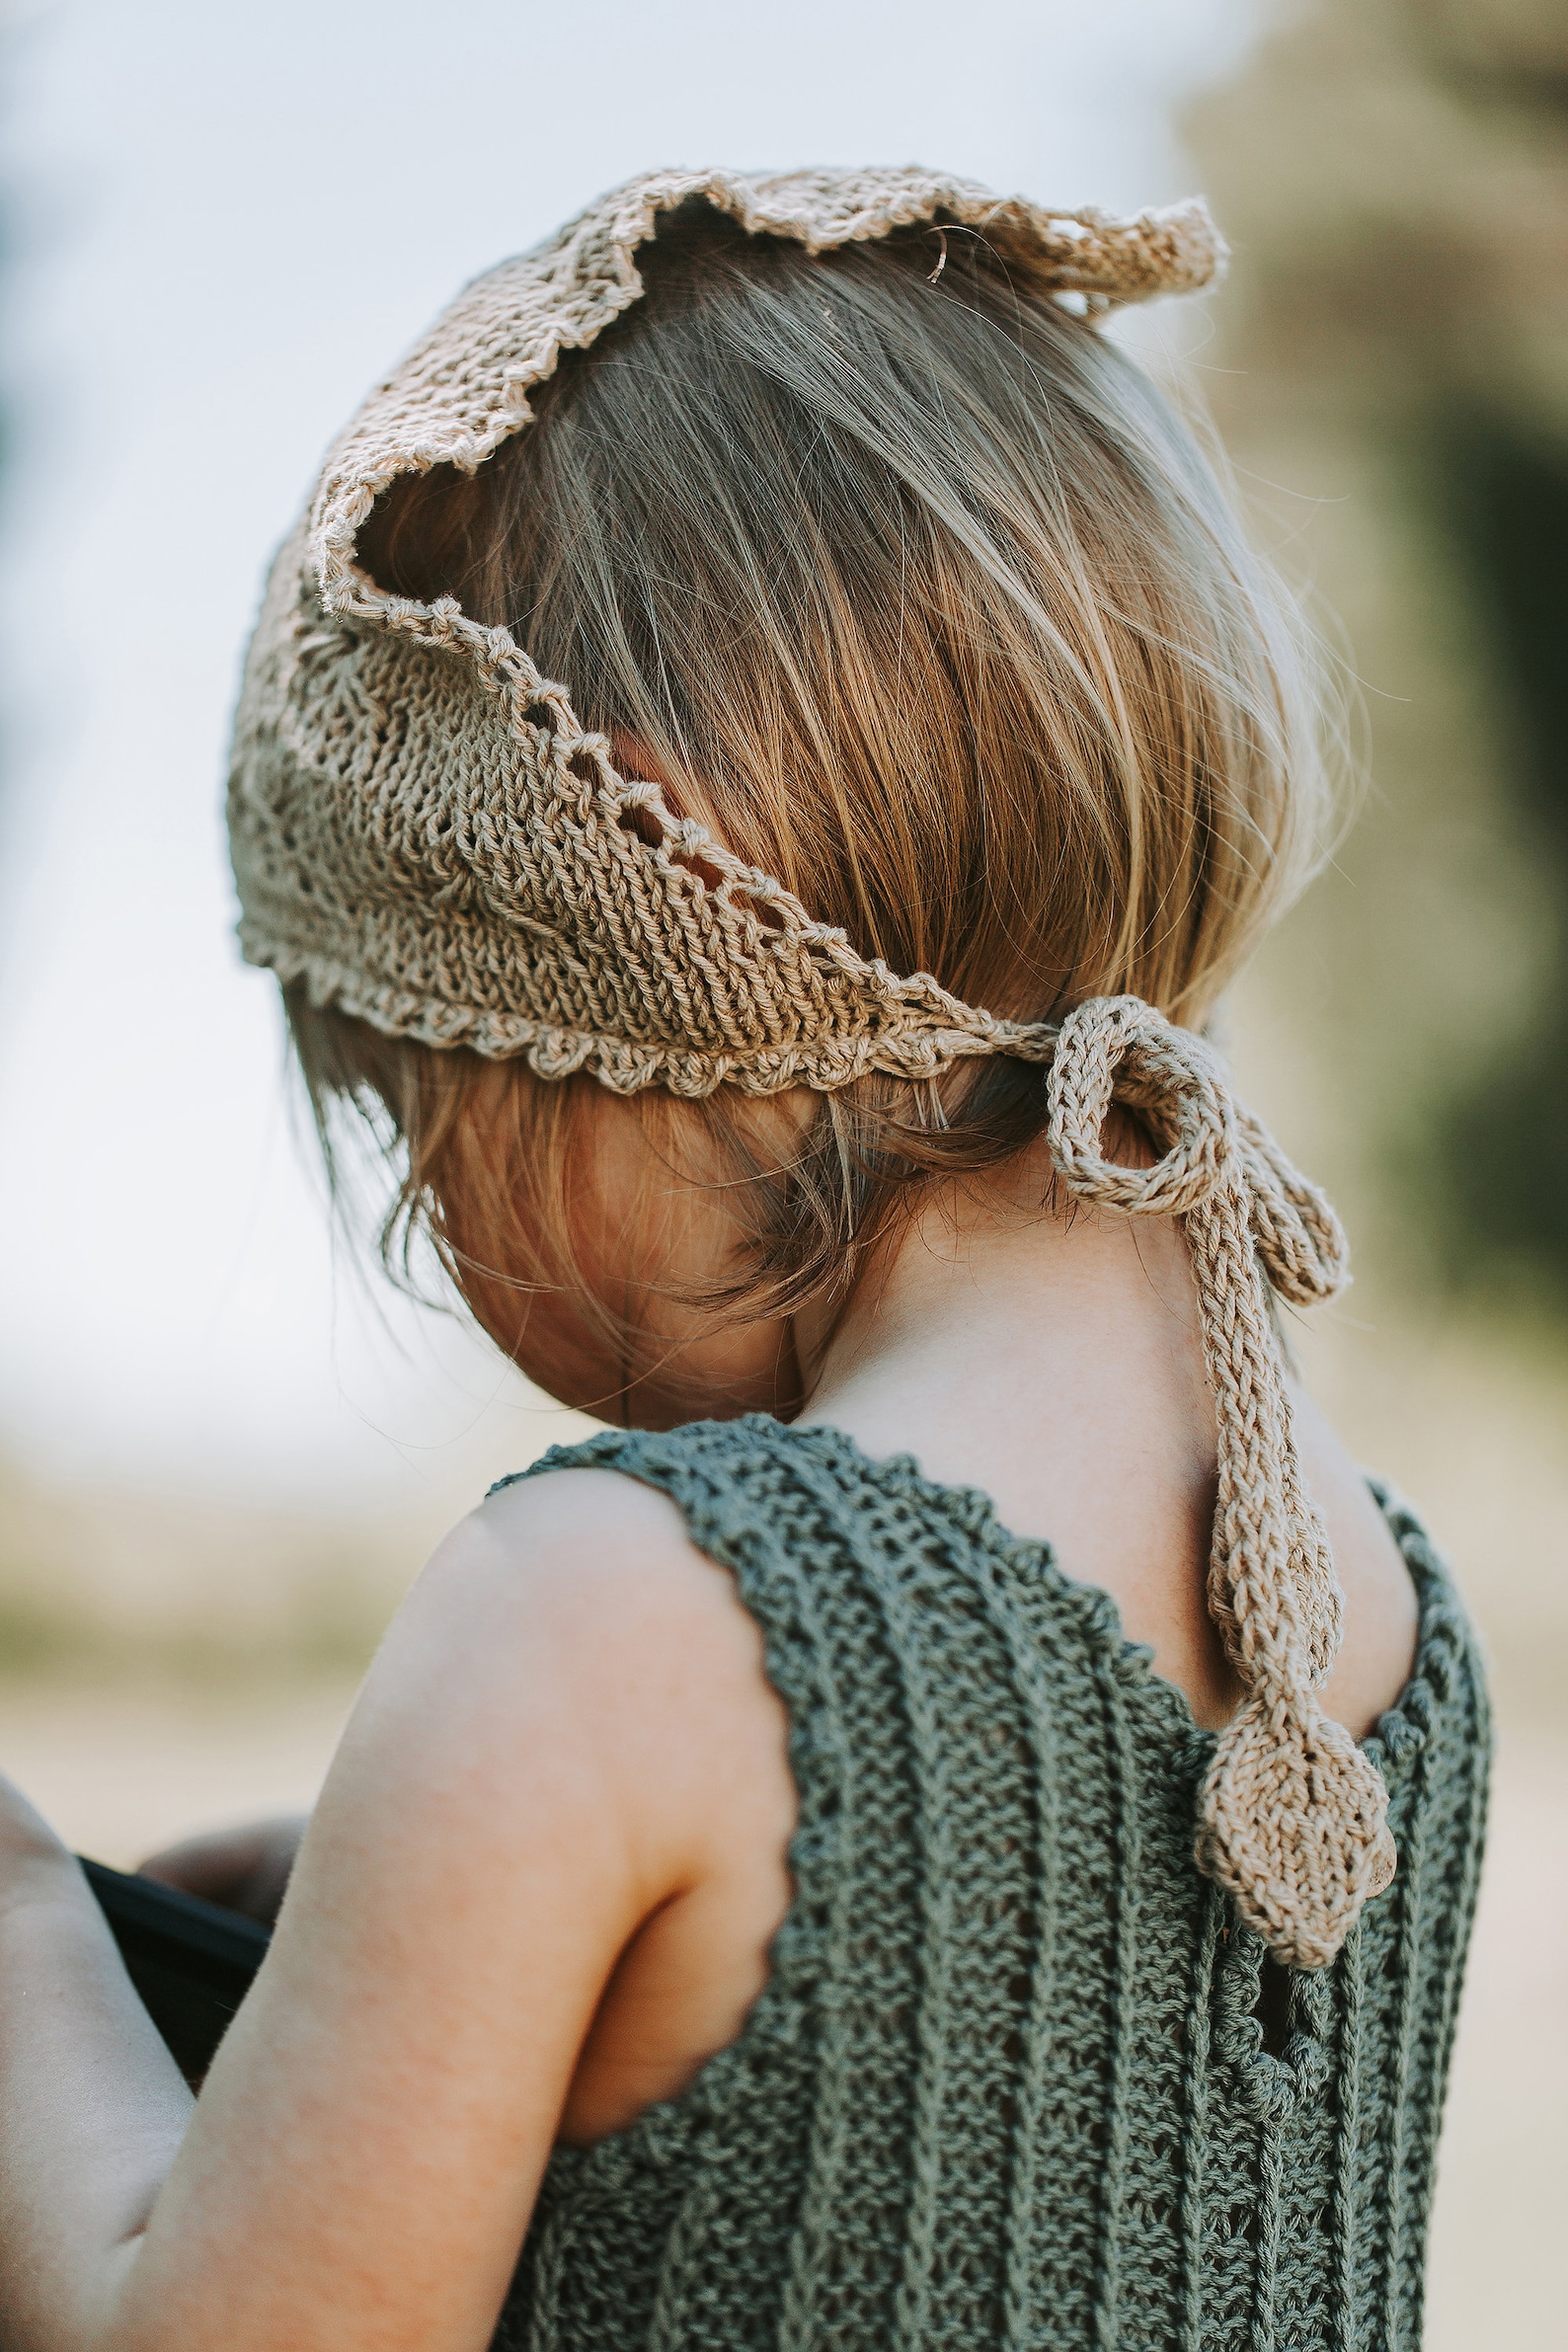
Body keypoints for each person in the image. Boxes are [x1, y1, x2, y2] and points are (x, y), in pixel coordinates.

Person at [0, 169, 1488, 2352]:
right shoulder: (1370, 1610)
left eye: (419, 1102)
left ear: (608, 979)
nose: (423, 1214)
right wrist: (416, 1902)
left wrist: (29, 1923)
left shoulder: (605, 1613)